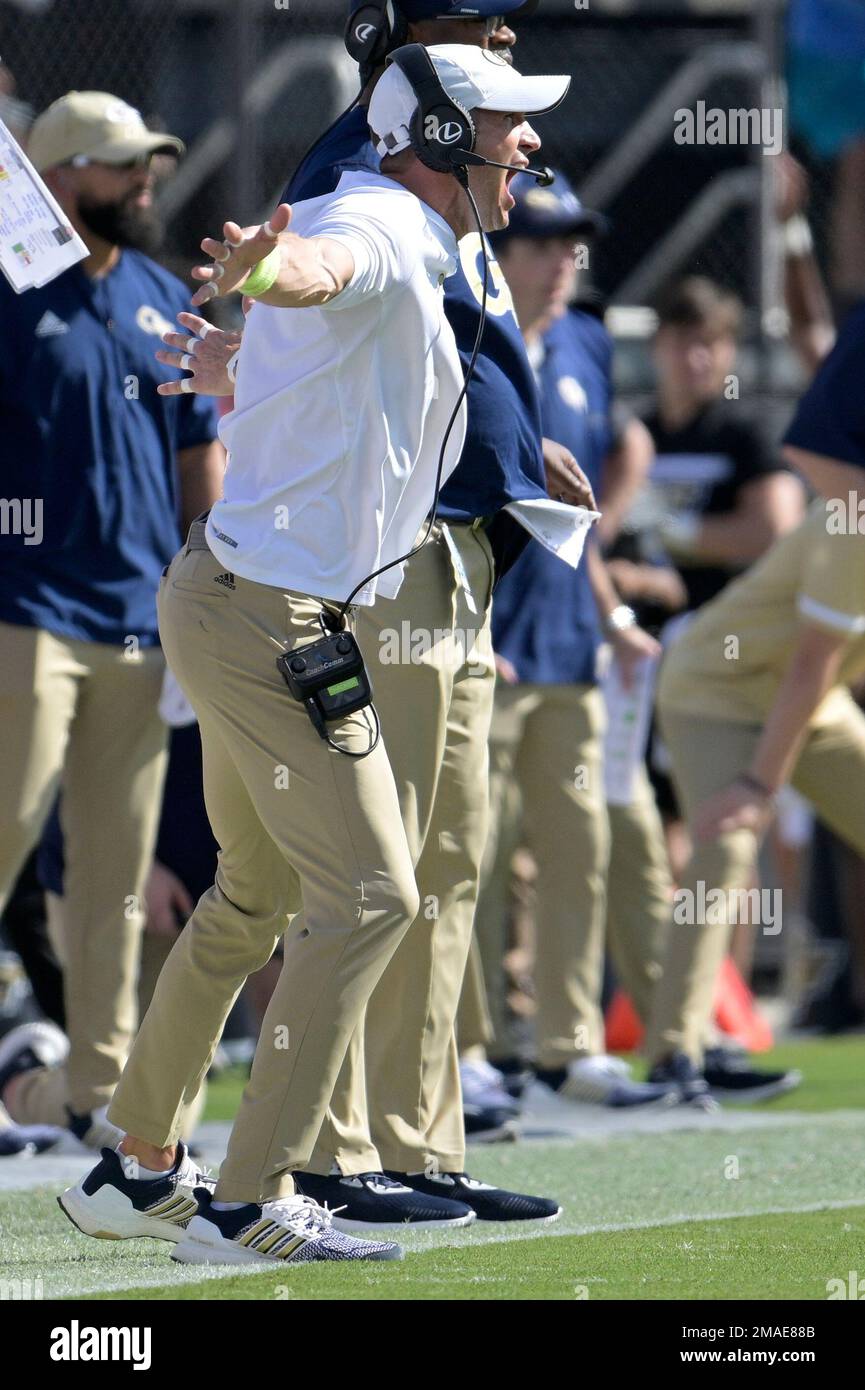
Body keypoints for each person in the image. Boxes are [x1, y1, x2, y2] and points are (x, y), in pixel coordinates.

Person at [60, 44, 572, 1269]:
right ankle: (244, 1203)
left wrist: (250, 344)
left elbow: (334, 335)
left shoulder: (421, 232)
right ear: (443, 135)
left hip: (246, 603)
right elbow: (320, 263)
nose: (530, 142)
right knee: (376, 895)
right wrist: (267, 271)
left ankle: (137, 1160)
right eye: (508, 119)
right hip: (265, 619)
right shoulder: (386, 224)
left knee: (257, 895)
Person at [0, 93, 222, 1149]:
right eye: (121, 165)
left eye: (152, 163)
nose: (146, 181)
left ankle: (98, 1095)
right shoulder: (3, 287)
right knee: (5, 834)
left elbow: (196, 457)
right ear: (54, 177)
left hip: (139, 623)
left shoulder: (163, 293)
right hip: (23, 611)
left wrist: (211, 585)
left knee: (114, 873)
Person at [454, 172, 676, 1107]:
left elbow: (612, 458)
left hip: (564, 648)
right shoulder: (467, 331)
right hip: (481, 642)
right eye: (541, 242)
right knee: (464, 856)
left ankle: (565, 1045)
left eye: (568, 243)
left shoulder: (585, 339)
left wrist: (609, 600)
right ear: (501, 248)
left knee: (575, 849)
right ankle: (463, 1051)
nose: (560, 262)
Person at [642, 302, 865, 1098]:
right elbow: (809, 662)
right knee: (727, 846)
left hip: (809, 699)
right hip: (716, 685)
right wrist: (756, 788)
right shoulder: (855, 521)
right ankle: (678, 1051)